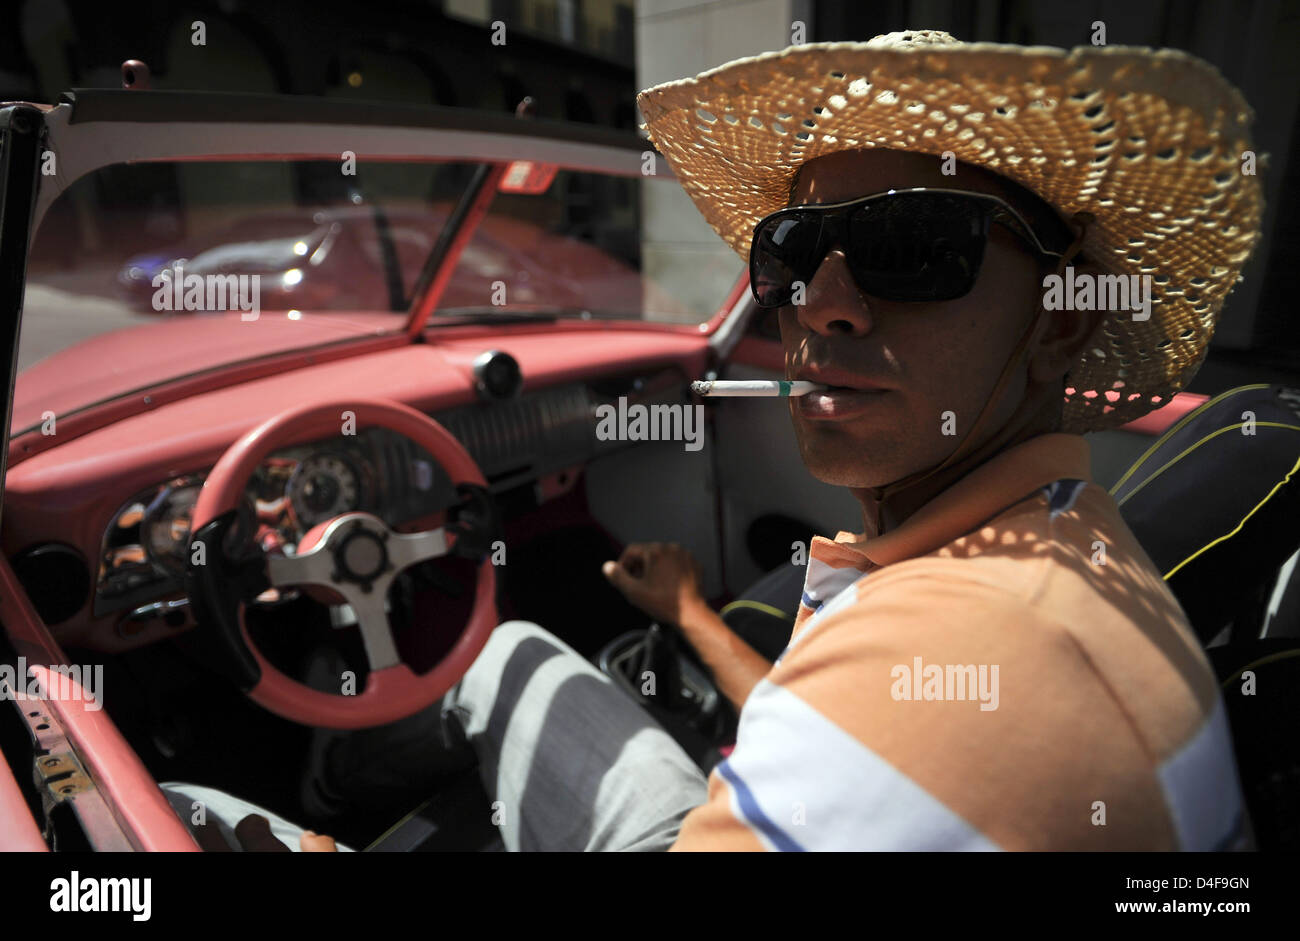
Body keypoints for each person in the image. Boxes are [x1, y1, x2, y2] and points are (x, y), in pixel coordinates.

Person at [162, 28, 1261, 851]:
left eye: (914, 243)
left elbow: (868, 721)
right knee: (499, 650)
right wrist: (689, 611)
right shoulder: (1062, 540)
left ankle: (320, 802)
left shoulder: (939, 684)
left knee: (176, 814)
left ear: (1061, 316)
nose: (818, 304)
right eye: (792, 250)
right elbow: (822, 713)